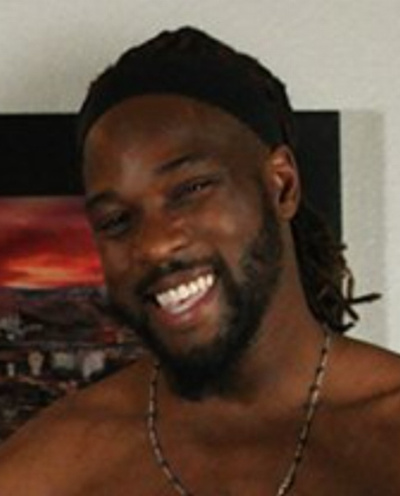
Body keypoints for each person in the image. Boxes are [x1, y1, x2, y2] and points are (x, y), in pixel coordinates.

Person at [0, 27, 399, 496]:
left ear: (282, 185)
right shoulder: (47, 469)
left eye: (190, 190)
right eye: (116, 220)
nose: (153, 246)